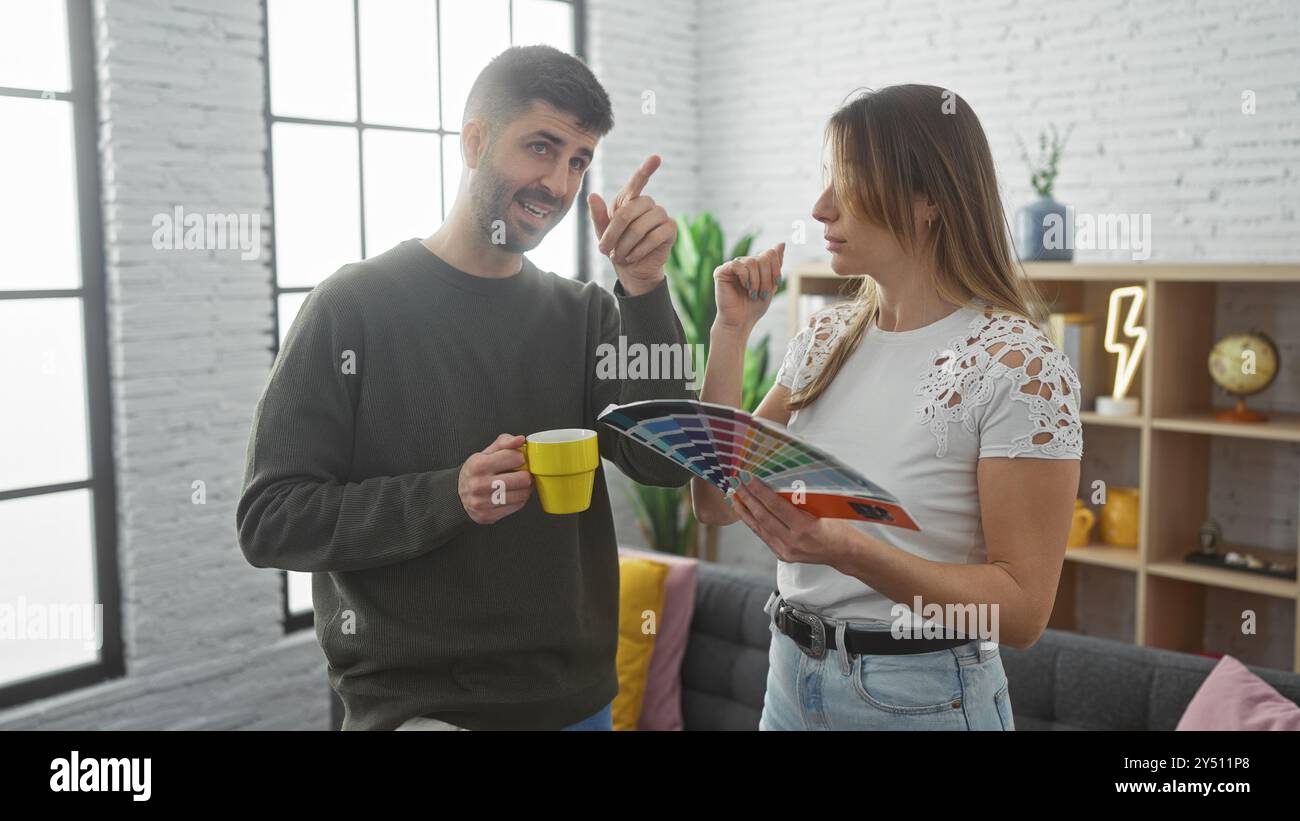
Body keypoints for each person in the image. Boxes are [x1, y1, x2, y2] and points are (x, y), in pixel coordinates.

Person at [237, 45, 694, 730]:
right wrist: (448, 494)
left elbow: (662, 461)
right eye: (540, 147)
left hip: (577, 704)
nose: (558, 183)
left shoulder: (586, 314)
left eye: (577, 160)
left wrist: (646, 288)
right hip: (421, 710)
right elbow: (270, 518)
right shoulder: (352, 307)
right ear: (474, 141)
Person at [691, 84, 1083, 730]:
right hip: (790, 677)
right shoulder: (824, 339)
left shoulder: (1017, 364)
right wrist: (730, 334)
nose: (820, 208)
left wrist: (851, 550)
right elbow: (712, 502)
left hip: (918, 696)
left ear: (927, 199)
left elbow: (1021, 612)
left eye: (847, 182)